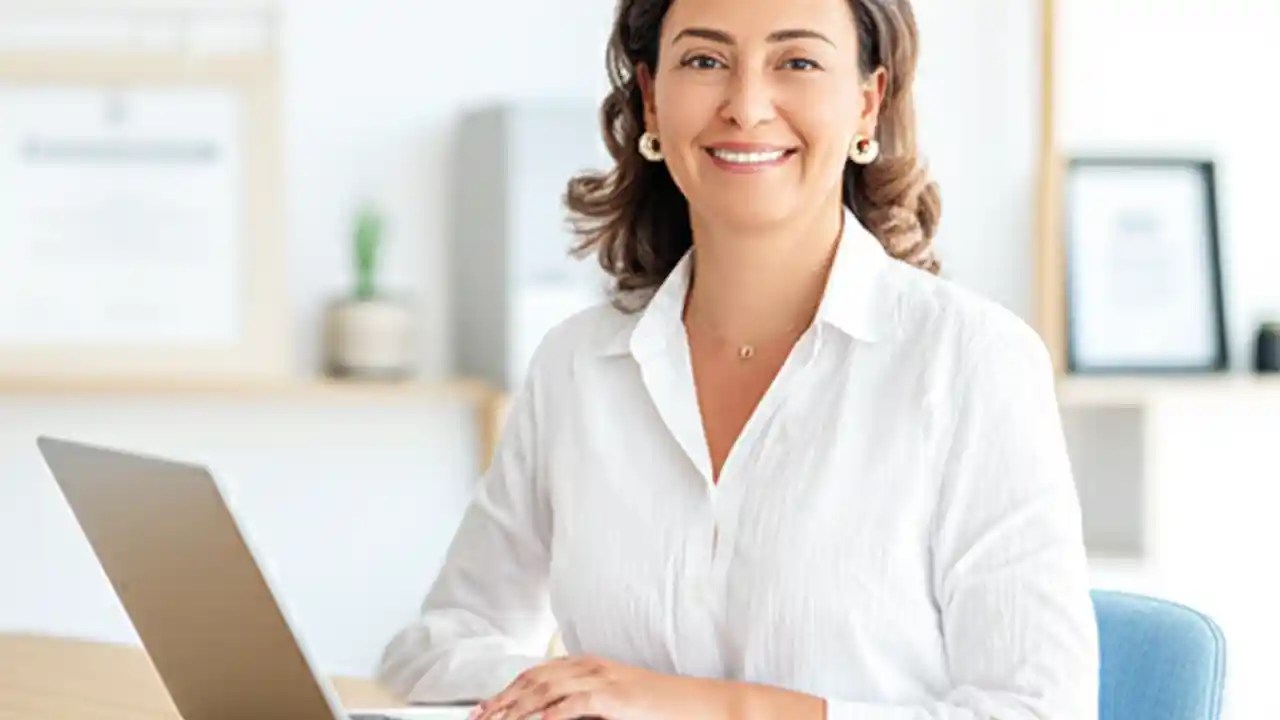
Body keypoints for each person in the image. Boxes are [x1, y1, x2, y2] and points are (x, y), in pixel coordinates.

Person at [380, 0, 1099, 717]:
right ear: (652, 98)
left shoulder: (973, 364)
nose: (747, 106)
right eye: (704, 60)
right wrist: (574, 690)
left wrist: (697, 705)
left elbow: (1039, 711)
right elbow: (438, 648)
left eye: (798, 61)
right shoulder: (577, 366)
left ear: (867, 102)